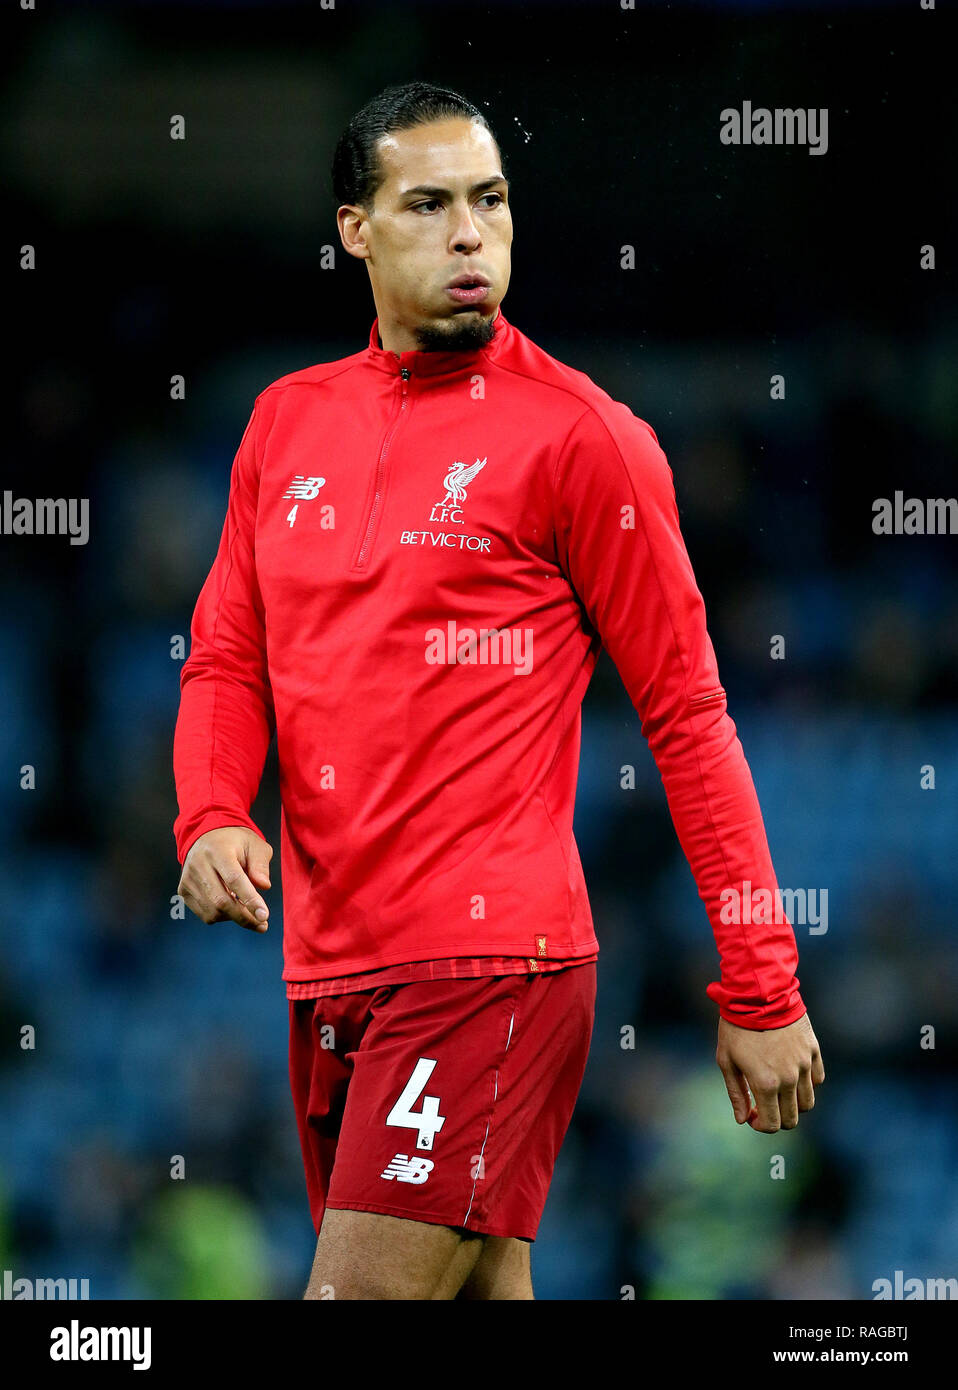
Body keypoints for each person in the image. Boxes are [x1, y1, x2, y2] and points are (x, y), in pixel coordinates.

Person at [172, 81, 825, 1301]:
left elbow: (688, 716)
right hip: (328, 967)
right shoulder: (283, 422)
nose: (471, 233)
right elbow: (225, 655)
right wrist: (210, 809)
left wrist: (763, 980)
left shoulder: (584, 439)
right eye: (427, 204)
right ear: (354, 230)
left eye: (491, 202)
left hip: (487, 962)